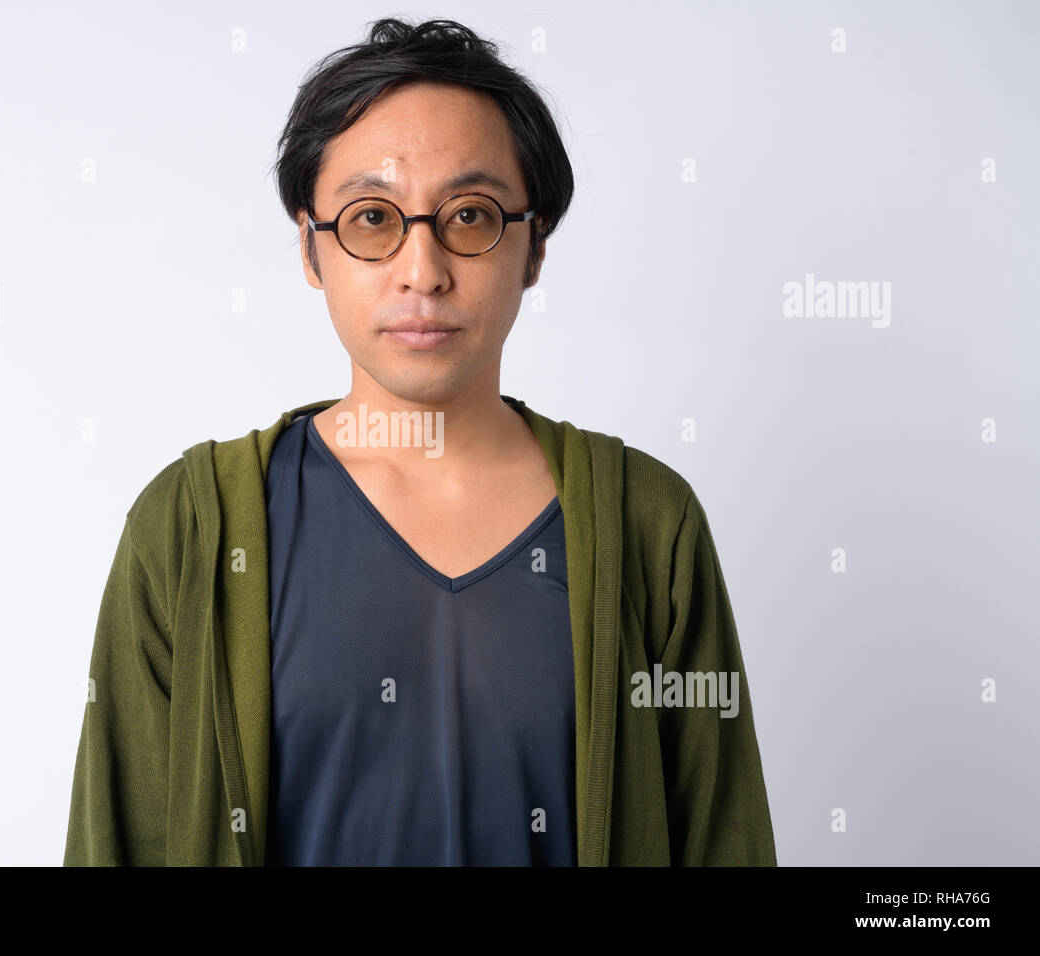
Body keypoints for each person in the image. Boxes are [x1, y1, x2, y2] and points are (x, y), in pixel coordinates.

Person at [63, 17, 776, 866]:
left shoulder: (649, 525)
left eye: (470, 215)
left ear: (535, 244)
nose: (422, 268)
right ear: (310, 247)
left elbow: (724, 843)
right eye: (372, 218)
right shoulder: (189, 528)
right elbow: (116, 841)